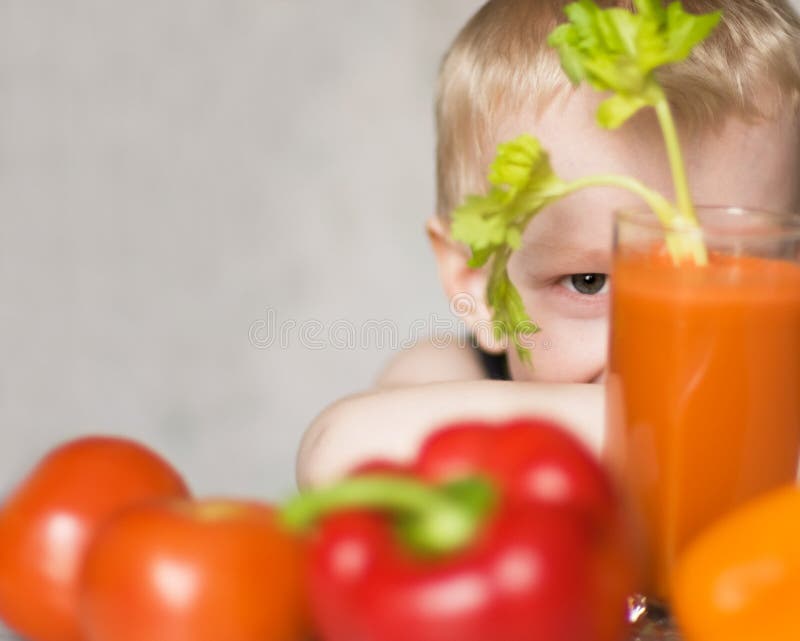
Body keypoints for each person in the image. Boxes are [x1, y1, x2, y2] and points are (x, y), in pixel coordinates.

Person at [296, 0, 800, 488]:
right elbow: (336, 450)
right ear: (480, 283)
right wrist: (655, 428)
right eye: (589, 282)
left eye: (733, 275)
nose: (668, 348)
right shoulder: (452, 371)